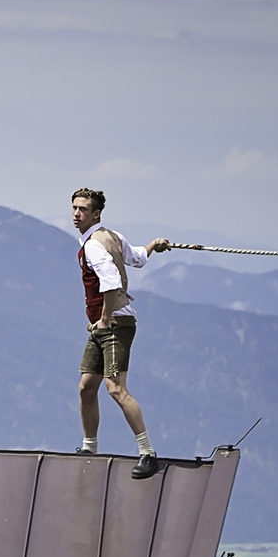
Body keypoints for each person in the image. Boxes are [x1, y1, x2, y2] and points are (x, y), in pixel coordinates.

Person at [70, 188, 174, 480]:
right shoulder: (111, 236)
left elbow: (111, 282)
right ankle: (89, 448)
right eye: (74, 208)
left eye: (83, 209)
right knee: (86, 387)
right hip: (103, 325)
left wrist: (104, 319)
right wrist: (153, 245)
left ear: (96, 214)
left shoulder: (93, 245)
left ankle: (148, 453)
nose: (76, 214)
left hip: (114, 324)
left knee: (115, 388)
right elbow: (137, 258)